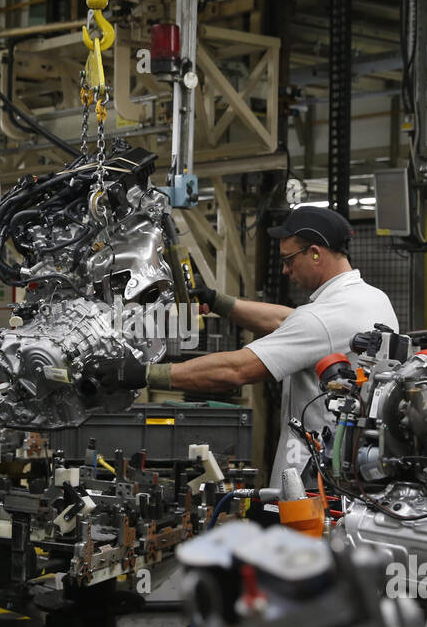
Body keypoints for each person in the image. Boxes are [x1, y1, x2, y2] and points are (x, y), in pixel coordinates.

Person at [114, 206, 398, 489]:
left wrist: (143, 374)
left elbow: (236, 369)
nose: (285, 270)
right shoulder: (371, 300)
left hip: (314, 483)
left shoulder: (323, 318)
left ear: (315, 253)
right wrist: (218, 302)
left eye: (288, 259)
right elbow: (285, 320)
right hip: (359, 473)